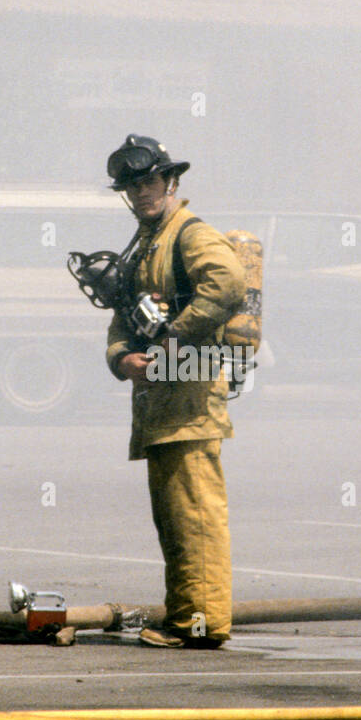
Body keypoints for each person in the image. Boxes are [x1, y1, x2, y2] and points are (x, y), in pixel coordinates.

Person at [103, 134, 247, 649]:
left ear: (171, 182)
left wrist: (172, 338)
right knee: (175, 521)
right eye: (132, 187)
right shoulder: (147, 244)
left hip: (190, 403)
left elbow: (227, 284)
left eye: (149, 182)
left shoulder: (190, 234)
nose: (141, 193)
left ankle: (201, 624)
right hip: (161, 406)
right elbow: (123, 316)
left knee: (196, 518)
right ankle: (185, 617)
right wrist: (123, 358)